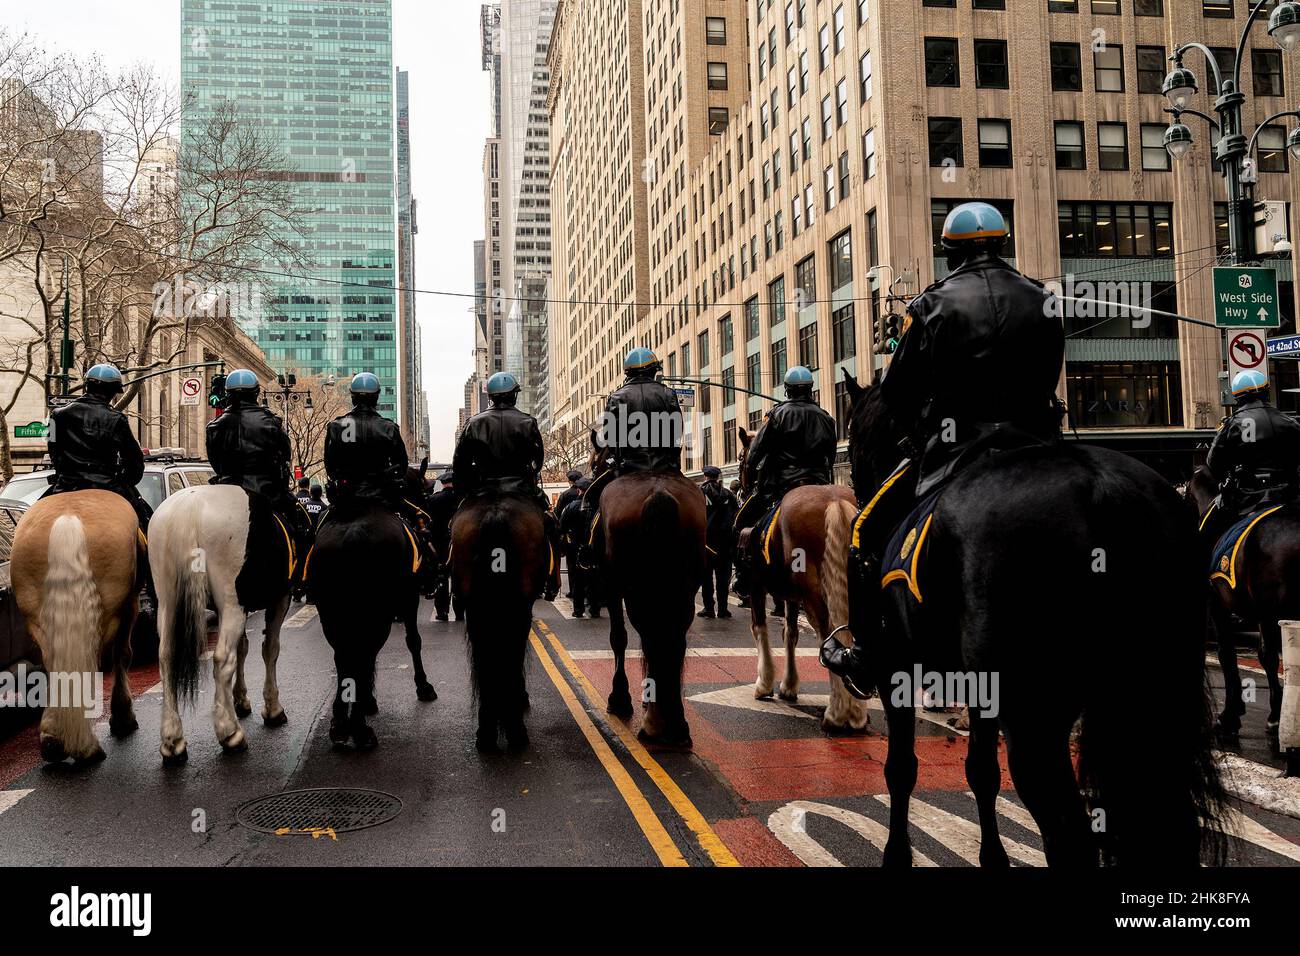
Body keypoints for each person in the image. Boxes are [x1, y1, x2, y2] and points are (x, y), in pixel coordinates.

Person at [822, 200, 1064, 686]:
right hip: (1038, 448)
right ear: (1004, 245)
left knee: (865, 534)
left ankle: (867, 654)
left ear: (949, 253)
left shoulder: (932, 304)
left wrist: (923, 429)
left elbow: (896, 393)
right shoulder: (1043, 298)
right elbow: (1047, 375)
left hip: (957, 451)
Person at [732, 366, 836, 602]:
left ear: (787, 390)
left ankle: (743, 577)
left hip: (782, 486)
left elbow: (755, 454)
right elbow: (830, 455)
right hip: (820, 484)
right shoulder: (826, 416)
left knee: (739, 523)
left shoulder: (777, 415)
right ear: (811, 389)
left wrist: (753, 474)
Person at [452, 371, 561, 599]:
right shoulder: (527, 422)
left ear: (491, 397)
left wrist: (466, 490)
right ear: (513, 396)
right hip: (519, 490)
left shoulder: (473, 423)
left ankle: (447, 573)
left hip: (481, 491)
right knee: (550, 525)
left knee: (453, 528)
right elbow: (537, 461)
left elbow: (459, 464)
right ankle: (552, 578)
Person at [205, 368, 313, 592]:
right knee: (299, 525)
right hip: (266, 491)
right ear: (256, 394)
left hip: (226, 491)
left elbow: (215, 463)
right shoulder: (271, 422)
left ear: (228, 394)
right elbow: (285, 455)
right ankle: (299, 574)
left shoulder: (215, 426)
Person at [578, 347, 683, 565]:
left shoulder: (617, 397)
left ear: (628, 373)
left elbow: (612, 438)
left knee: (590, 499)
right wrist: (671, 459)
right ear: (655, 370)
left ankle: (589, 549)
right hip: (665, 467)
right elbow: (677, 432)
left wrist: (618, 458)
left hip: (630, 467)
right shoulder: (667, 393)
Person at [43, 363, 153, 533]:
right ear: (113, 392)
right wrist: (125, 482)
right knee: (146, 522)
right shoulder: (117, 419)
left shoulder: (57, 415)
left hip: (65, 484)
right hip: (107, 486)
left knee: (31, 517)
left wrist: (64, 473)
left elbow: (53, 452)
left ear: (86, 386)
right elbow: (134, 462)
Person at [1201, 369, 1300, 543]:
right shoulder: (1289, 422)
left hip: (1246, 496)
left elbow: (1213, 463)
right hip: (1287, 494)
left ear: (1237, 398)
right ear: (1266, 391)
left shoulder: (1232, 424)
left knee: (1206, 529)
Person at [323, 372, 408, 511]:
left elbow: (330, 466)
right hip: (381, 497)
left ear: (352, 397)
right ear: (377, 397)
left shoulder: (335, 426)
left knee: (320, 524)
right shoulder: (389, 428)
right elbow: (402, 465)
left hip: (346, 498)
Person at [698, 465, 738, 619]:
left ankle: (708, 608)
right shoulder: (728, 494)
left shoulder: (700, 493)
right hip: (725, 544)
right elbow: (735, 517)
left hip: (706, 543)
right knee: (723, 578)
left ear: (705, 476)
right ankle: (723, 609)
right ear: (717, 477)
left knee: (706, 578)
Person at [425, 470, 459, 621]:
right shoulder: (460, 498)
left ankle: (442, 611)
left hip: (438, 541)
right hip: (456, 539)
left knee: (441, 575)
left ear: (443, 484)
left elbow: (428, 520)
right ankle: (459, 608)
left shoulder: (433, 499)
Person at [559, 477, 593, 617]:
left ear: (579, 490)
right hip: (592, 545)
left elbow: (562, 526)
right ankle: (594, 607)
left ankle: (578, 609)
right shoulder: (596, 505)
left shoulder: (571, 506)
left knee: (577, 577)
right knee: (594, 576)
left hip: (575, 545)